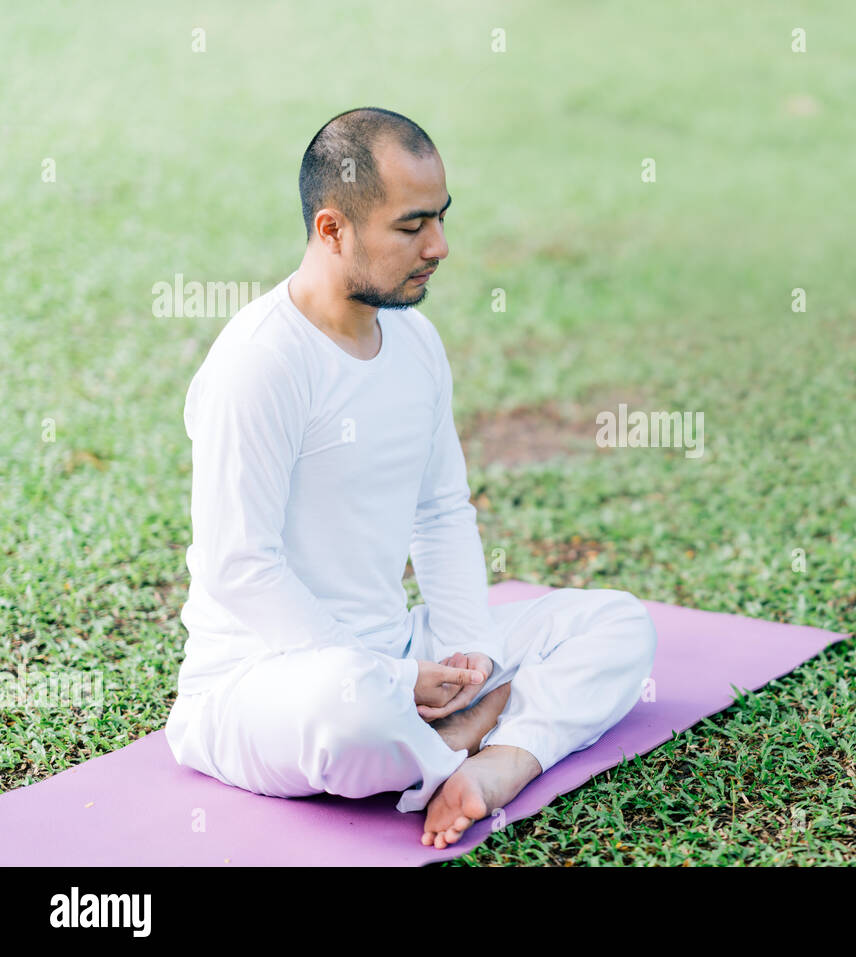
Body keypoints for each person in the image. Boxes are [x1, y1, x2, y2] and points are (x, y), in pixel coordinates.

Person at [163, 107, 657, 849]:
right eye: (411, 226)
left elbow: (440, 509)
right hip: (265, 684)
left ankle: (499, 761)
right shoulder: (259, 363)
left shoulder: (417, 341)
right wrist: (390, 682)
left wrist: (470, 652)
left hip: (401, 650)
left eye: (442, 219)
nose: (441, 246)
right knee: (351, 710)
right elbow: (241, 567)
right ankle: (476, 729)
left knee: (618, 623)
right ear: (333, 229)